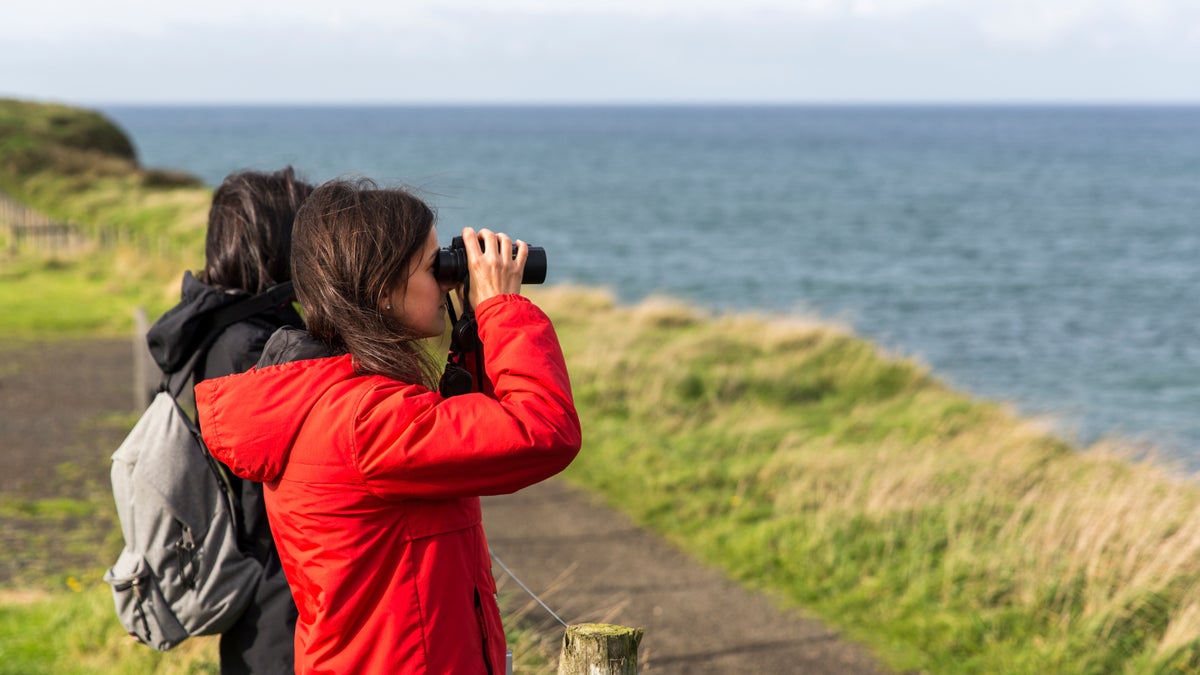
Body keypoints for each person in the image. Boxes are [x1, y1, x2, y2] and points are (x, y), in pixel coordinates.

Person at [193, 178, 582, 674]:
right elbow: (543, 429)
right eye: (431, 266)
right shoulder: (364, 422)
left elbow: (471, 432)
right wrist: (499, 307)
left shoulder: (344, 403)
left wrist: (473, 334)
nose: (446, 279)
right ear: (379, 289)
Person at [146, 166, 313, 674]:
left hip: (256, 588)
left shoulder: (216, 328)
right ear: (277, 243)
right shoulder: (253, 345)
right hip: (279, 595)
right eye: (306, 234)